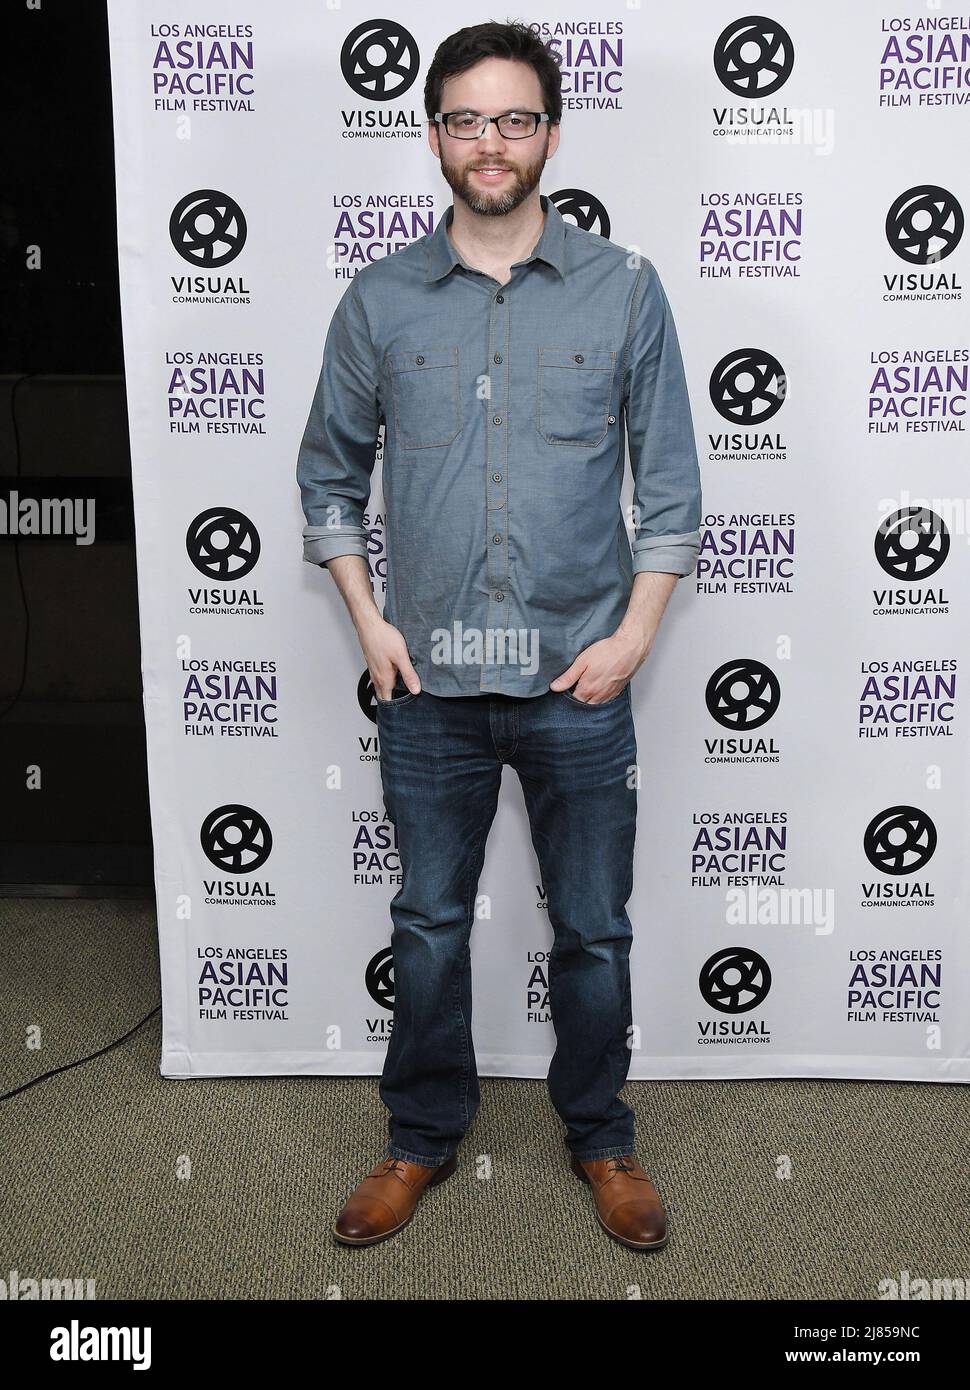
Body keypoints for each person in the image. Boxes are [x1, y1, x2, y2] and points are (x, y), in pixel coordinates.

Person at [296, 20, 702, 1252]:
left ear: (550, 134)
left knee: (592, 928)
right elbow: (327, 480)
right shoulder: (379, 300)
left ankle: (601, 1137)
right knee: (426, 924)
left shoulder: (624, 287)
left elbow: (672, 491)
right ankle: (419, 1138)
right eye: (466, 119)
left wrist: (632, 637)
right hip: (424, 687)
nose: (490, 142)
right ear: (433, 136)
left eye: (513, 119)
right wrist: (368, 621)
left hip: (580, 679)